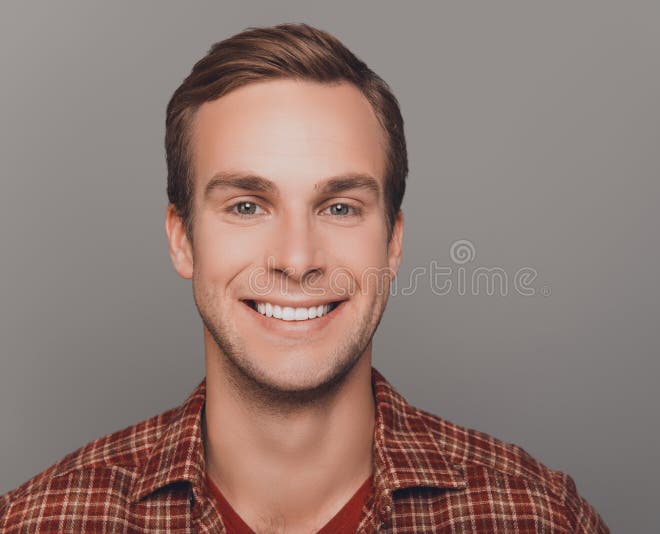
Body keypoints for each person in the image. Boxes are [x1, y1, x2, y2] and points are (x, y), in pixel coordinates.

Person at [0, 23, 609, 533]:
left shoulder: (539, 516)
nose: (297, 259)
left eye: (340, 207)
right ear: (182, 238)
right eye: (246, 206)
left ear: (393, 243)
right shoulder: (39, 521)